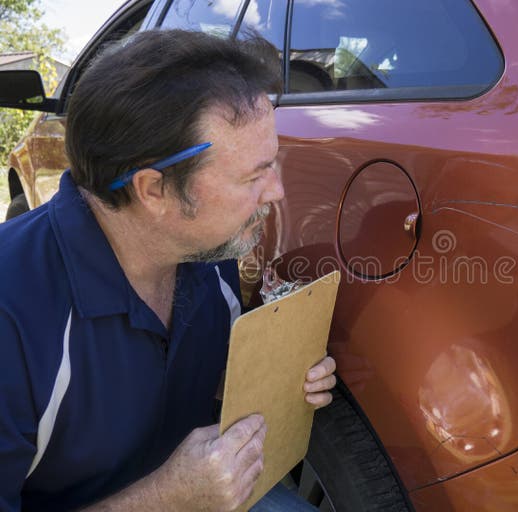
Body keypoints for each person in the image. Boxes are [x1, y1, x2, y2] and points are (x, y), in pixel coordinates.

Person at [0, 29, 337, 511]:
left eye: (273, 164)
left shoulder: (209, 258)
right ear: (153, 189)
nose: (277, 192)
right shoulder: (12, 310)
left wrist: (268, 377)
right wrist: (167, 499)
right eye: (253, 175)